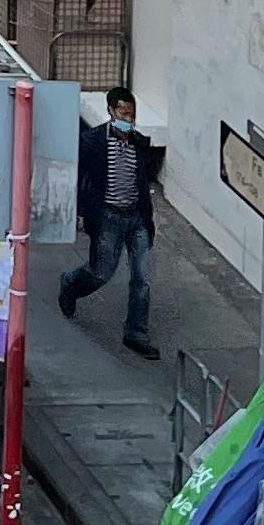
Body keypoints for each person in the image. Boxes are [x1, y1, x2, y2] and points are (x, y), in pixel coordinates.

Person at [60, 86, 166, 359]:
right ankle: (71, 284)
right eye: (123, 113)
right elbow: (78, 175)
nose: (128, 119)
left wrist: (147, 217)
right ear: (110, 111)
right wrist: (80, 211)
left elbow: (141, 181)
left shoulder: (139, 143)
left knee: (142, 278)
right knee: (101, 272)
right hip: (108, 217)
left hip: (137, 218)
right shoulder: (93, 141)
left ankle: (136, 333)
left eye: (132, 114)